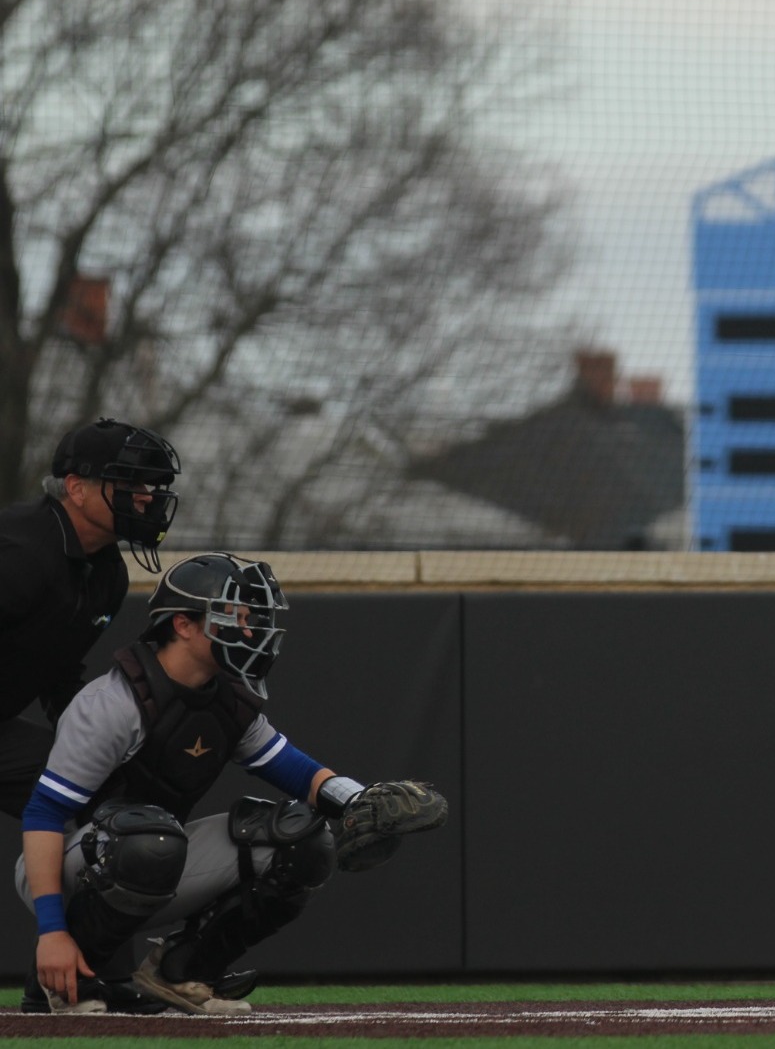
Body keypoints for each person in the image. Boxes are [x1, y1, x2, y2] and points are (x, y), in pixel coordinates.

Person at [17, 552, 447, 1015]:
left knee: (305, 840)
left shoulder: (225, 696)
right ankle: (66, 984)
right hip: (68, 868)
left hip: (154, 855)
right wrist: (52, 931)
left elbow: (297, 771)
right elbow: (44, 814)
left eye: (250, 618)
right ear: (183, 624)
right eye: (234, 617)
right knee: (149, 840)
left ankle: (181, 973)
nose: (249, 630)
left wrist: (358, 798)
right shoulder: (112, 704)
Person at [0, 418, 181, 821]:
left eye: (147, 487)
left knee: (111, 794)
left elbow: (57, 673)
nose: (144, 499)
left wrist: (99, 742)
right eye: (129, 484)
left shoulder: (107, 575)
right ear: (77, 489)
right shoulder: (22, 555)